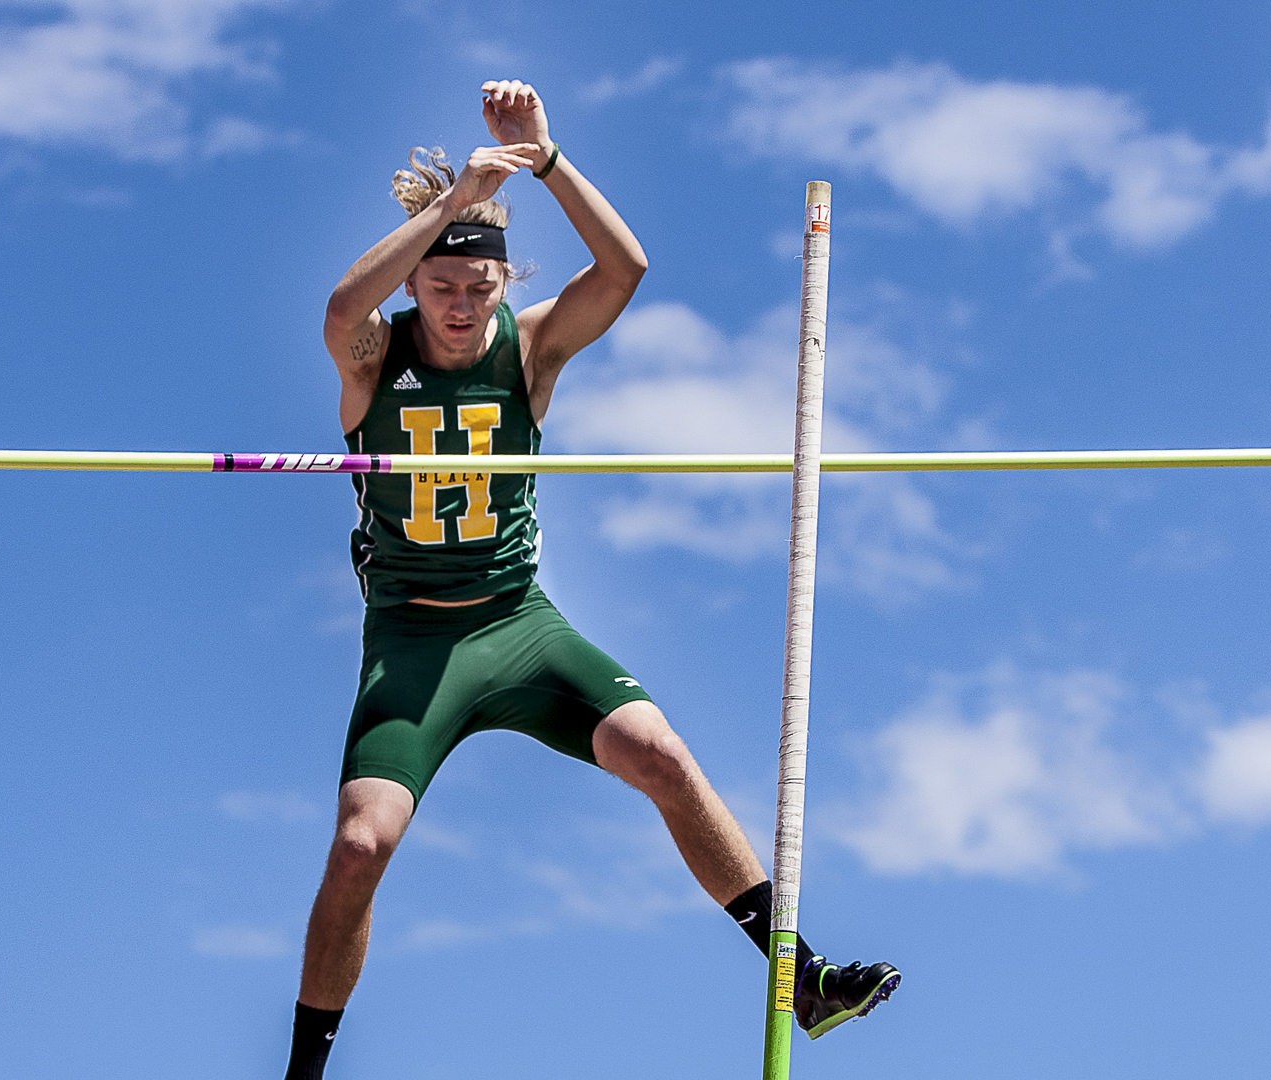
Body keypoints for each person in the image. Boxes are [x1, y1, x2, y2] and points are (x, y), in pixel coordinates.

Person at [284, 79, 898, 1079]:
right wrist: (456, 201)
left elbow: (626, 268)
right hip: (414, 641)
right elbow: (340, 306)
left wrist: (547, 157)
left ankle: (805, 979)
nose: (460, 308)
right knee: (360, 847)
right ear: (415, 283)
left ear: (502, 284)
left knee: (662, 755)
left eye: (480, 289)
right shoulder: (372, 357)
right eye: (442, 288)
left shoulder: (527, 348)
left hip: (519, 624)